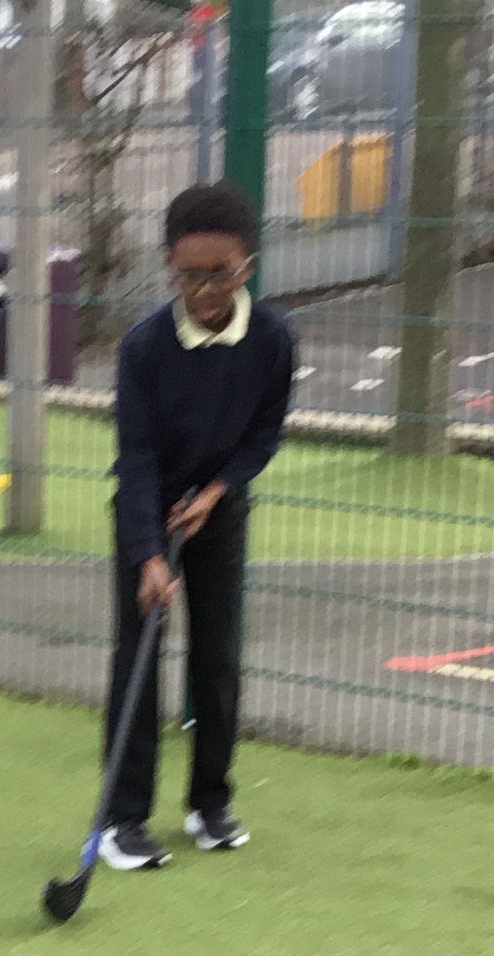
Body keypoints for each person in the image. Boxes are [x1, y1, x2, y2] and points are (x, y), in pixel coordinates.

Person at [98, 182, 297, 872]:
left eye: (223, 273)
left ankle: (209, 804)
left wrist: (216, 492)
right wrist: (150, 555)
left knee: (216, 658)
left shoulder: (272, 338)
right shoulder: (145, 348)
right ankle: (124, 822)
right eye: (191, 275)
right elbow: (137, 459)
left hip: (218, 508)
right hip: (147, 510)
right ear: (169, 268)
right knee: (139, 660)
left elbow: (263, 436)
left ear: (248, 267)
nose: (207, 290)